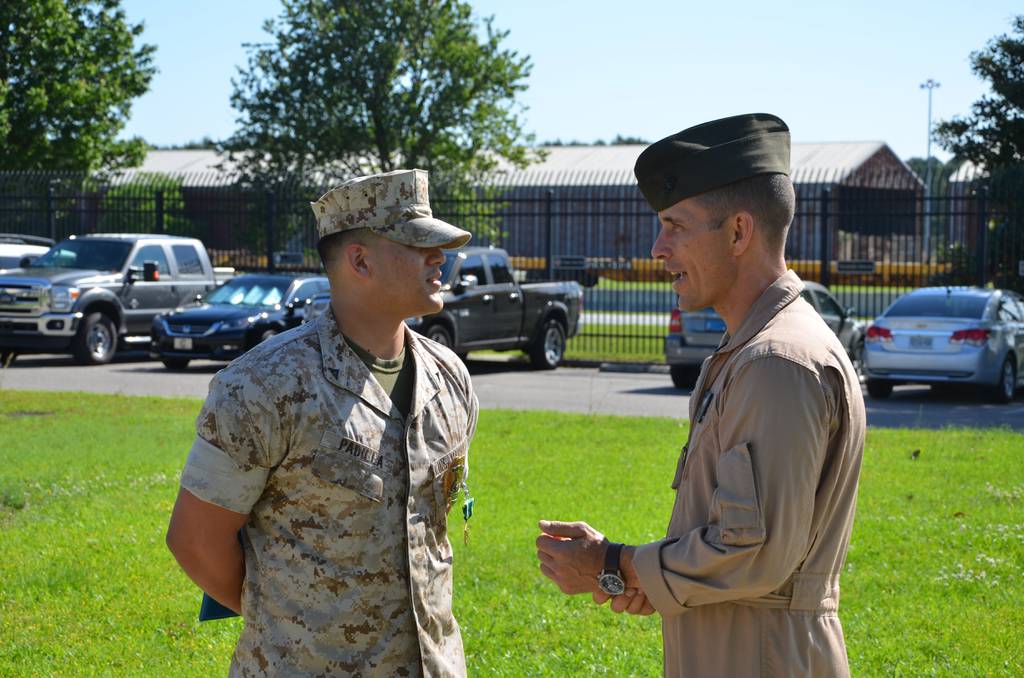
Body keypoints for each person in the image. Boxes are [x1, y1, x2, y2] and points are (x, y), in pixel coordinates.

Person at [536, 114, 866, 677]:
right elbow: (733, 540)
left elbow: (755, 553)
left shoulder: (776, 362)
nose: (657, 247)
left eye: (676, 225)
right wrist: (640, 575)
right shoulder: (753, 349)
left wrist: (612, 563)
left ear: (739, 232)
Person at [166, 168, 479, 677]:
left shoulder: (450, 379)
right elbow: (196, 541)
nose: (439, 256)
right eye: (419, 243)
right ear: (360, 260)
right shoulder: (265, 385)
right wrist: (291, 625)